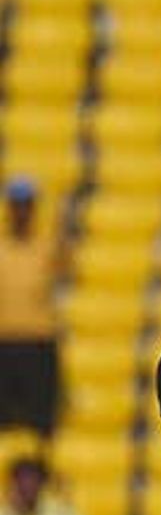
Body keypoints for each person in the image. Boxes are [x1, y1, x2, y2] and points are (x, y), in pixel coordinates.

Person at [0, 176, 60, 436]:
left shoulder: (48, 246)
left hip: (38, 340)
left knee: (40, 421)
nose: (21, 211)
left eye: (26, 205)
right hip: (4, 340)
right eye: (16, 205)